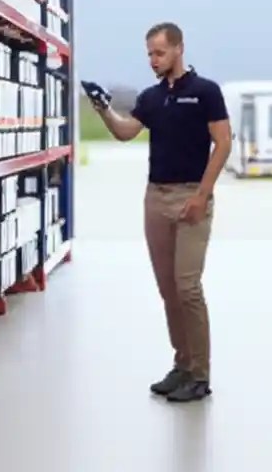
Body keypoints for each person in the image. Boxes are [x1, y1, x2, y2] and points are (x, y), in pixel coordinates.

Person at [82, 22, 232, 403]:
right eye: (149, 53)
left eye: (159, 53)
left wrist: (202, 195)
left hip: (190, 197)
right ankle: (181, 366)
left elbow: (224, 144)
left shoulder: (205, 93)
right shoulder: (151, 97)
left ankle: (200, 374)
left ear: (179, 49)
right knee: (168, 290)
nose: (153, 60)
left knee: (188, 287)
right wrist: (103, 108)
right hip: (156, 198)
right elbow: (125, 131)